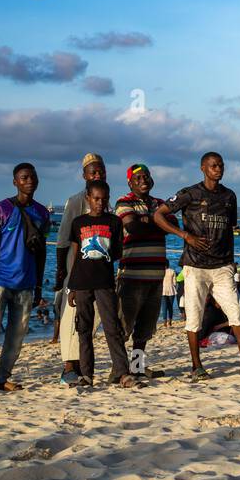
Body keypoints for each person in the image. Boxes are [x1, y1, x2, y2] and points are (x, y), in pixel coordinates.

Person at [155, 152, 240, 381]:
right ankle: (196, 366)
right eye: (213, 165)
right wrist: (184, 235)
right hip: (195, 266)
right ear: (203, 168)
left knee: (236, 313)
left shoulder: (229, 196)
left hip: (223, 265)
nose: (218, 169)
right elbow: (159, 215)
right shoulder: (190, 193)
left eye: (221, 165)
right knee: (194, 318)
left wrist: (232, 262)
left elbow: (230, 229)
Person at [0, 163, 50, 395]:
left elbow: (41, 251)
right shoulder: (0, 209)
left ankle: (1, 379)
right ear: (15, 182)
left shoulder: (43, 213)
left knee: (16, 338)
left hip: (26, 284)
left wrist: (38, 286)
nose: (29, 181)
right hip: (0, 282)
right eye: (24, 178)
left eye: (33, 177)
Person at [64, 179, 137, 388]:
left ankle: (122, 373)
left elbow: (116, 253)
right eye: (96, 198)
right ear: (88, 198)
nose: (100, 202)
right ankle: (87, 375)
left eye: (104, 199)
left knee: (112, 327)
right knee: (84, 329)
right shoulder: (78, 222)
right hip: (81, 284)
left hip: (104, 283)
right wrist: (71, 287)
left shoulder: (114, 222)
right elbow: (76, 255)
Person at [114, 163, 172, 380]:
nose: (143, 181)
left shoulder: (160, 203)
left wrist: (148, 220)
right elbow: (132, 226)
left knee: (145, 330)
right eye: (137, 179)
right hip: (131, 274)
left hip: (156, 276)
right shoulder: (124, 201)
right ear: (130, 183)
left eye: (146, 176)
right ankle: (119, 369)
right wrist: (157, 222)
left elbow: (172, 223)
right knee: (124, 326)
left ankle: (137, 367)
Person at [54, 153, 106, 384]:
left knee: (89, 319)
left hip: (98, 272)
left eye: (100, 171)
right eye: (93, 172)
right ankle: (68, 367)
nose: (97, 175)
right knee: (71, 316)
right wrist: (61, 273)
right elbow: (63, 239)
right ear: (84, 175)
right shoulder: (76, 201)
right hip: (76, 270)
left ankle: (81, 366)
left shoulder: (105, 200)